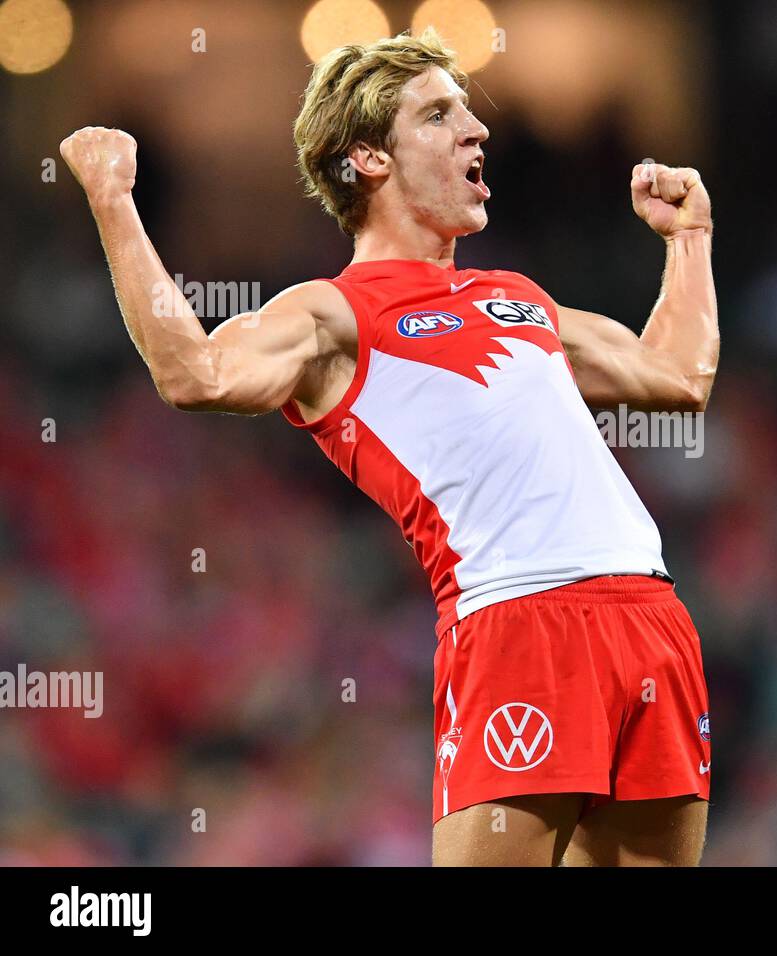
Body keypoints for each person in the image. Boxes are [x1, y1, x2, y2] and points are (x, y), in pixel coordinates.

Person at [58, 28, 719, 867]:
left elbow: (676, 375)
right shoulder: (332, 313)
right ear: (368, 157)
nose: (477, 131)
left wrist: (689, 241)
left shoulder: (518, 298)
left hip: (653, 620)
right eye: (441, 115)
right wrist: (115, 200)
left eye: (470, 113)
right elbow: (194, 371)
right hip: (518, 623)